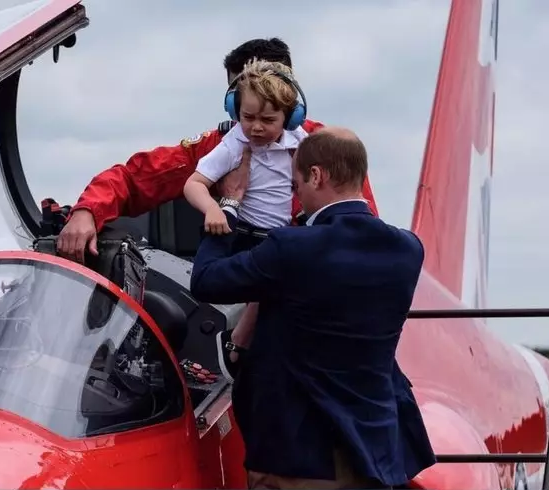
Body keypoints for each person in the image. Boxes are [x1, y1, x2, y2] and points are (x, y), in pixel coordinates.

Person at [56, 37, 379, 377]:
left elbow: (363, 235)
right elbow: (135, 178)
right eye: (242, 105)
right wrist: (87, 211)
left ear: (290, 101)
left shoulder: (327, 151)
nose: (252, 125)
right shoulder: (221, 147)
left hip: (318, 319)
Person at [189, 127, 436, 489]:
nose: (297, 196)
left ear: (317, 175)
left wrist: (227, 204)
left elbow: (206, 280)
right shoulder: (407, 249)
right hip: (376, 449)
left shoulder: (291, 248)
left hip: (299, 455)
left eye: (296, 185)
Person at [184, 58, 308, 383]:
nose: (255, 127)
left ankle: (249, 353)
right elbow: (194, 183)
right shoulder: (235, 143)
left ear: (290, 118)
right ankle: (230, 349)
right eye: (247, 117)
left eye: (268, 120)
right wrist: (212, 209)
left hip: (278, 238)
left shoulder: (300, 144)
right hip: (244, 235)